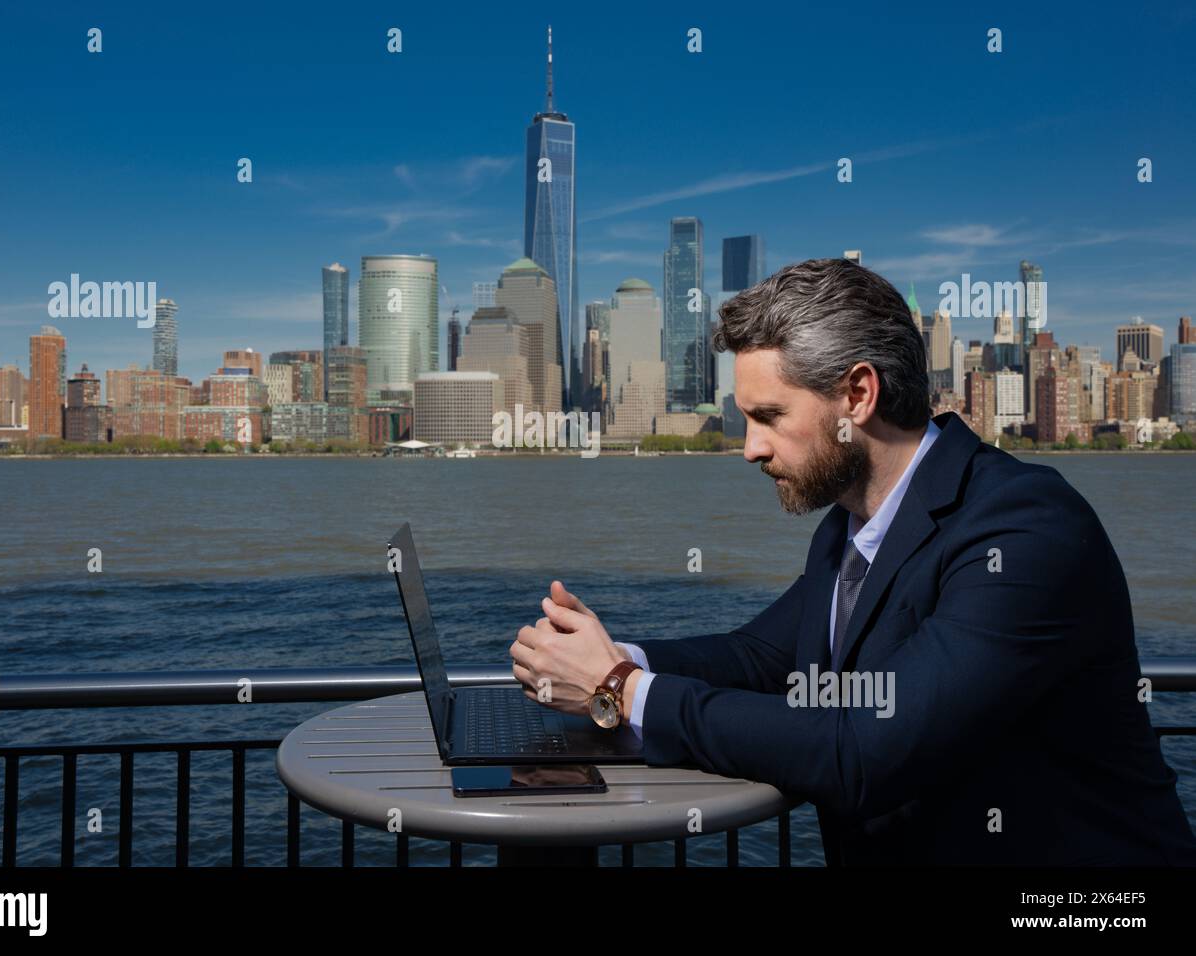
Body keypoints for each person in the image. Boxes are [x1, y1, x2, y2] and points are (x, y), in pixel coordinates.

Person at [510, 257, 1196, 865]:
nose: (750, 447)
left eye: (770, 415)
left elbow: (865, 753)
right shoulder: (850, 528)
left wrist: (621, 690)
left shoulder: (1025, 530)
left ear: (858, 396)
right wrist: (601, 654)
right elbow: (758, 657)